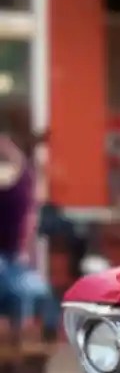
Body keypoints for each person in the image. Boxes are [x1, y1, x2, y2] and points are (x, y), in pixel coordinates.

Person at [0, 134, 58, 355]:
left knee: (28, 291)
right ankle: (20, 343)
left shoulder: (24, 181)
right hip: (12, 260)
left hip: (13, 259)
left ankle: (20, 344)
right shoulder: (25, 180)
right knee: (27, 291)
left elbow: (27, 223)